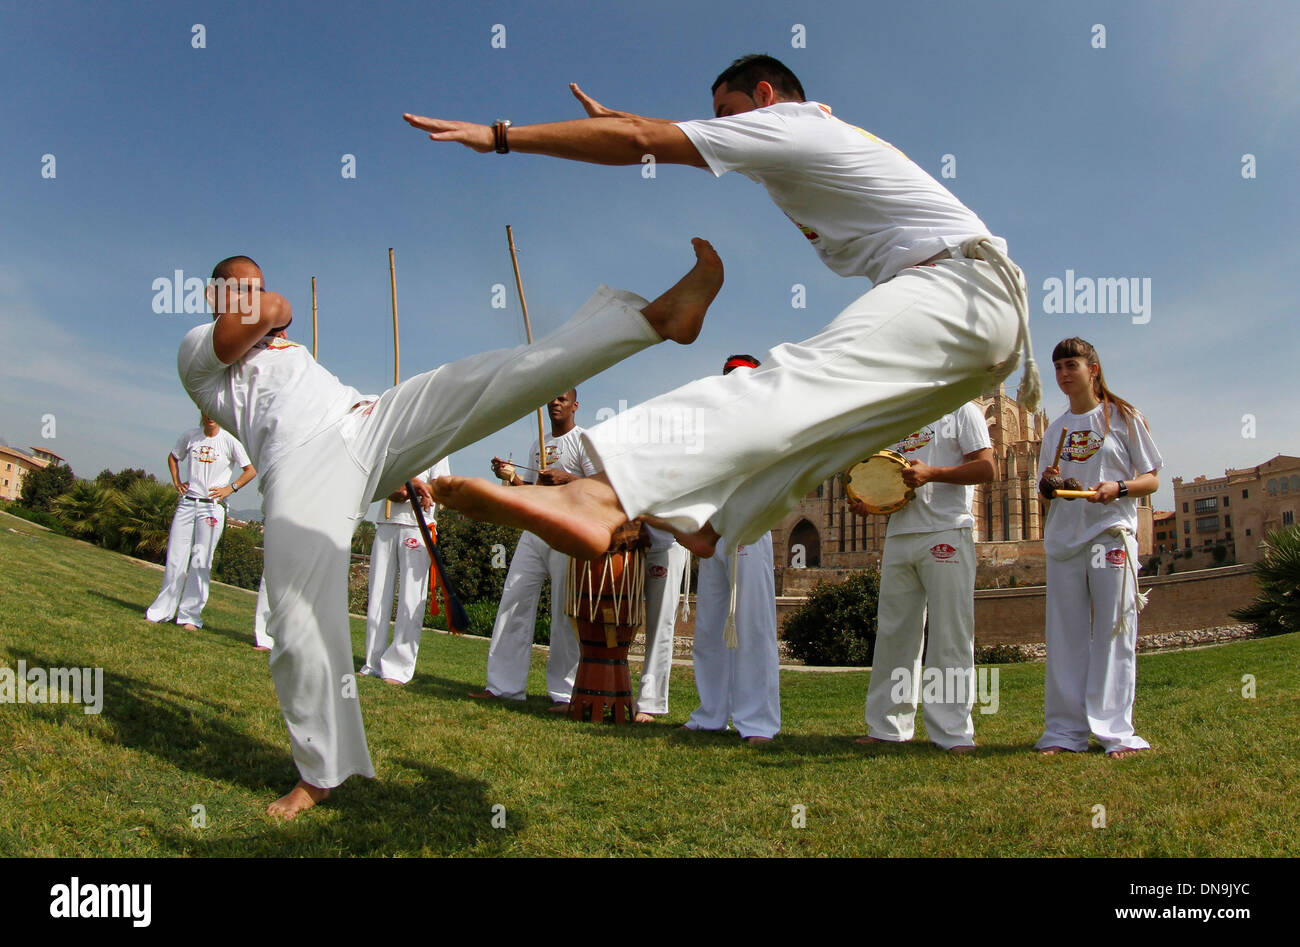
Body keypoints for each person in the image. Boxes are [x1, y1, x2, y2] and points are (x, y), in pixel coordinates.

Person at [406, 54, 1038, 608]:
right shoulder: (804, 140)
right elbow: (654, 135)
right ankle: (716, 520)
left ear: (765, 96)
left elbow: (640, 143)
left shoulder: (793, 126)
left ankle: (601, 494)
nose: (721, 124)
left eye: (726, 110)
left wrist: (502, 136)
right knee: (830, 435)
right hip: (986, 329)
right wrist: (629, 119)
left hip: (957, 290)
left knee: (791, 383)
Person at [176, 244, 722, 819]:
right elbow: (274, 308)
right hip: (297, 465)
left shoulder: (284, 344)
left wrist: (269, 313)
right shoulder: (197, 352)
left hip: (363, 419)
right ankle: (318, 772)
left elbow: (272, 313)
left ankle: (651, 320)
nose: (255, 295)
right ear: (214, 298)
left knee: (484, 379)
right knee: (297, 619)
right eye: (240, 287)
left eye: (257, 284)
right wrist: (266, 303)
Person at [1035, 338, 1161, 759]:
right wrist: (1050, 482)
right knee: (1065, 637)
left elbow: (1152, 479)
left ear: (1093, 368)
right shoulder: (1055, 430)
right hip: (1065, 542)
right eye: (1057, 367)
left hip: (1110, 535)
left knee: (1114, 632)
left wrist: (1119, 487)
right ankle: (1064, 732)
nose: (1063, 374)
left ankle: (1116, 733)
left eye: (1071, 365)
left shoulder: (1123, 418)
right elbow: (1045, 494)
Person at [849, 403, 994, 753]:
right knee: (894, 632)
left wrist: (933, 473)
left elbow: (987, 467)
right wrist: (870, 502)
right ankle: (888, 726)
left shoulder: (964, 410)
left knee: (950, 633)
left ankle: (953, 731)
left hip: (946, 530)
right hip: (900, 533)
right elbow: (889, 476)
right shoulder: (901, 413)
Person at [469, 390, 593, 709]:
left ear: (574, 406)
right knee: (514, 598)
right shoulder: (538, 444)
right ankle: (503, 685)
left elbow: (600, 488)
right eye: (552, 398)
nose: (555, 402)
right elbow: (528, 491)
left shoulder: (585, 442)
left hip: (567, 530)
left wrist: (567, 479)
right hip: (534, 531)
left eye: (563, 399)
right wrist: (509, 477)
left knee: (564, 611)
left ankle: (565, 693)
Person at [681, 355, 780, 744]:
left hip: (750, 532)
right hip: (713, 532)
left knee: (752, 626)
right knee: (709, 628)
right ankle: (711, 714)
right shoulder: (712, 427)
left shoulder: (771, 427)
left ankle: (757, 722)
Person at [145, 414, 255, 630]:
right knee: (175, 558)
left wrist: (230, 488)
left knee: (201, 561)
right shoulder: (190, 436)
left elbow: (250, 470)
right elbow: (173, 457)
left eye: (214, 412)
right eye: (206, 412)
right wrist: (177, 482)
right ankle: (162, 611)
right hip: (187, 503)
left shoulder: (230, 441)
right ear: (201, 413)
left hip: (211, 507)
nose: (210, 417)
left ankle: (190, 616)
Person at [361, 458, 450, 685]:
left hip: (417, 525)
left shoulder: (439, 446)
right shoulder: (400, 443)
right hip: (387, 522)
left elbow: (440, 489)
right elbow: (378, 477)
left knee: (410, 599)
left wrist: (417, 487)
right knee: (378, 595)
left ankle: (398, 667)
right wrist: (391, 491)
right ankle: (372, 661)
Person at [634, 525, 689, 722]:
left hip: (665, 544)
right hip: (624, 544)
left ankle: (650, 702)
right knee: (614, 620)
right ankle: (609, 689)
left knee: (660, 625)